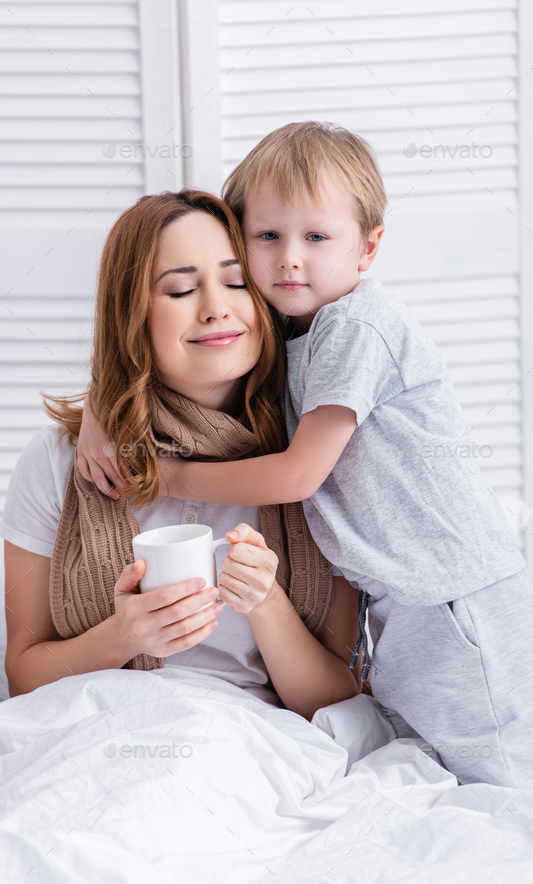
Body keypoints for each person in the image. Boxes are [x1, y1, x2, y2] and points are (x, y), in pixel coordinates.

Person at [75, 132, 533, 814]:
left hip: (459, 602)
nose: (289, 259)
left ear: (367, 248)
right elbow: (158, 354)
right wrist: (97, 410)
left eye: (317, 236)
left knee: (514, 801)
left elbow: (296, 475)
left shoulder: (356, 326)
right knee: (449, 785)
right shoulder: (296, 329)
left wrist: (162, 478)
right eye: (266, 236)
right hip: (403, 607)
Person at [0, 189, 366, 723]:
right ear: (133, 314)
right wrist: (122, 636)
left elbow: (339, 700)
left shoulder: (315, 456)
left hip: (257, 743)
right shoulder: (62, 462)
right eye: (180, 290)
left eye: (238, 281)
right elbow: (23, 675)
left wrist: (266, 604)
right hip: (99, 734)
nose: (216, 306)